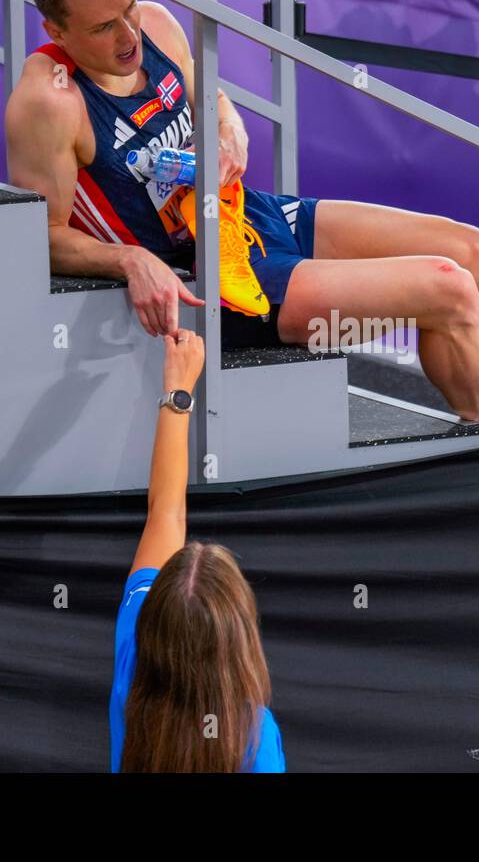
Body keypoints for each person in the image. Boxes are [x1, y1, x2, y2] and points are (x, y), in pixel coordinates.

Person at [4, 0, 479, 443]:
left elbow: (212, 100)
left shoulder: (159, 26)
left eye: (130, 7)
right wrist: (129, 260)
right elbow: (43, 235)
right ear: (57, 32)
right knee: (447, 286)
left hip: (244, 219)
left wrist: (230, 137)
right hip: (212, 281)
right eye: (103, 28)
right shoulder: (50, 102)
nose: (128, 36)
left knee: (471, 250)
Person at [109, 327, 286, 772]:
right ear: (239, 641)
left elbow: (165, 514)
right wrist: (179, 388)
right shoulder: (255, 739)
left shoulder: (135, 664)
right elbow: (166, 516)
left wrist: (178, 392)